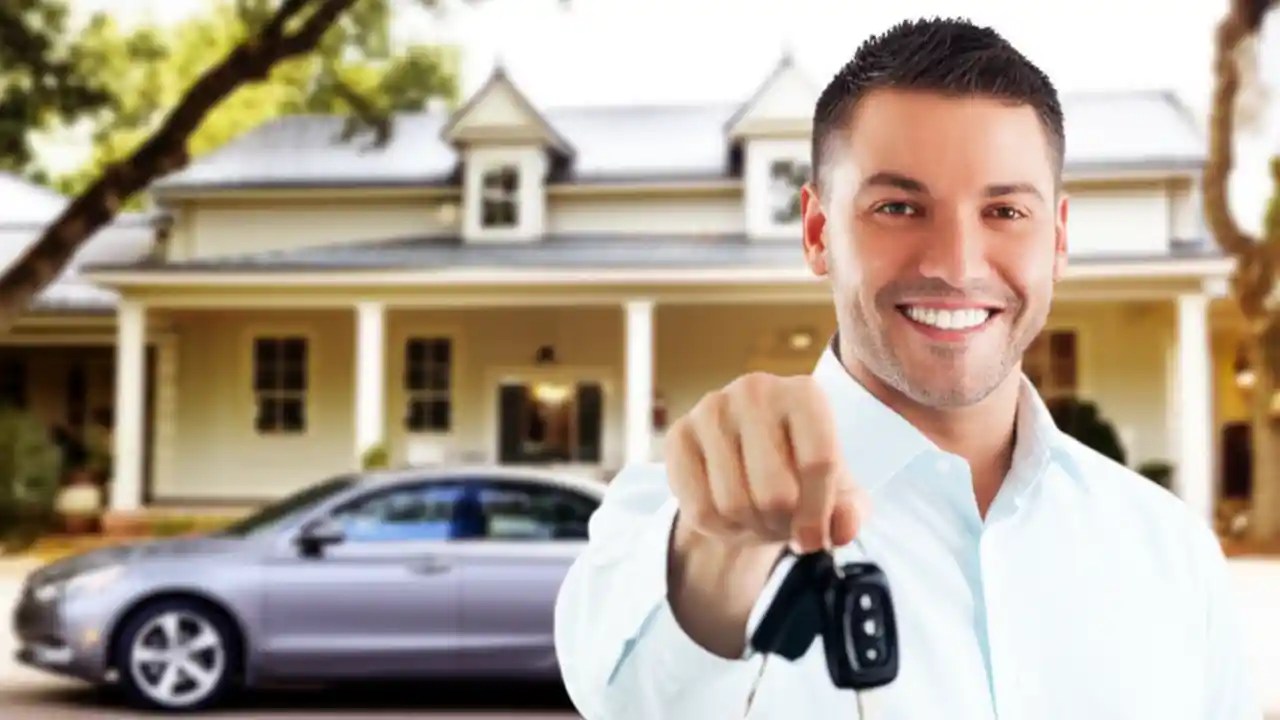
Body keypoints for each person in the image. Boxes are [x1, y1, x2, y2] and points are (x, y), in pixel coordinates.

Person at [553, 17, 1262, 720]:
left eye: (1005, 210)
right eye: (898, 206)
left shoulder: (1173, 551)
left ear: (1059, 239)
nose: (955, 265)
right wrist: (719, 552)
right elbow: (632, 696)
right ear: (818, 232)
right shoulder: (675, 518)